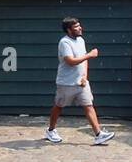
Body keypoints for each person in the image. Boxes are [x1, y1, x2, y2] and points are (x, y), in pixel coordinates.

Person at [46, 17, 115, 145]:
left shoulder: (81, 40)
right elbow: (70, 61)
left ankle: (98, 134)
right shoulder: (64, 42)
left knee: (89, 105)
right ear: (69, 29)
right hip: (66, 83)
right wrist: (90, 55)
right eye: (76, 26)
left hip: (81, 82)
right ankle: (51, 130)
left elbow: (84, 60)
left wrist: (85, 76)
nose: (80, 28)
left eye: (79, 25)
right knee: (59, 106)